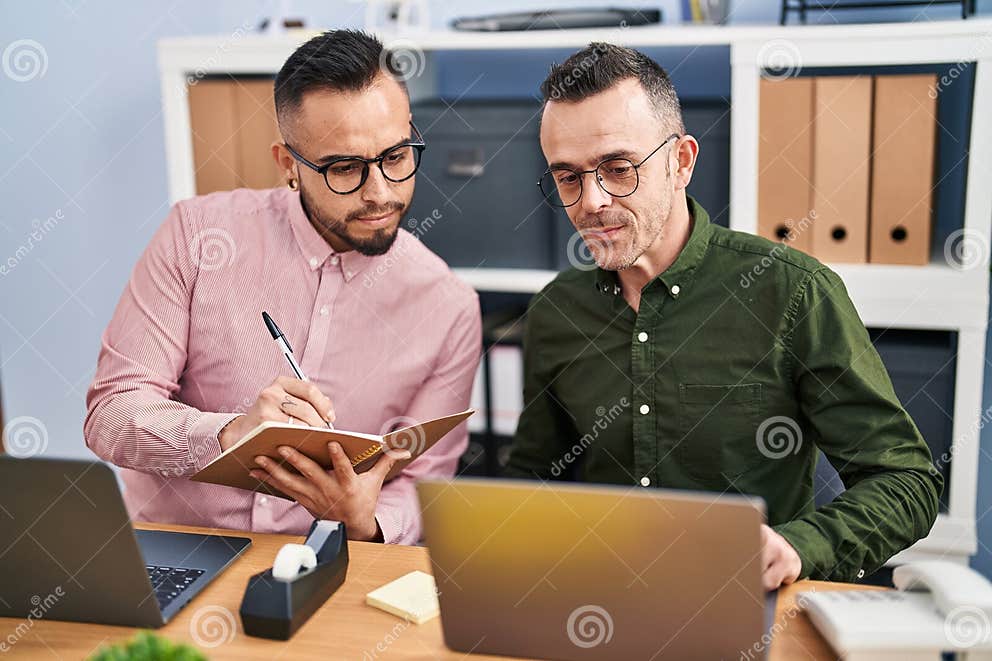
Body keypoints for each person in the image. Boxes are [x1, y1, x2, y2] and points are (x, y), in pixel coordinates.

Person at [504, 42, 942, 590]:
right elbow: (531, 482)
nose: (591, 201)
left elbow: (905, 480)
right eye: (568, 177)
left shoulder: (794, 293)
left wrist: (799, 547)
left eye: (618, 168)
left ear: (681, 162)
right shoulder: (556, 312)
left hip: (749, 606)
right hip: (600, 603)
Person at [85, 30, 481, 544]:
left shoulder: (448, 307)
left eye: (397, 156)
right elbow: (111, 414)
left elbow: (424, 484)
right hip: (177, 549)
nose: (380, 192)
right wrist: (228, 436)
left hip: (330, 561)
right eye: (344, 169)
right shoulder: (197, 237)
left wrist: (367, 519)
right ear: (289, 165)